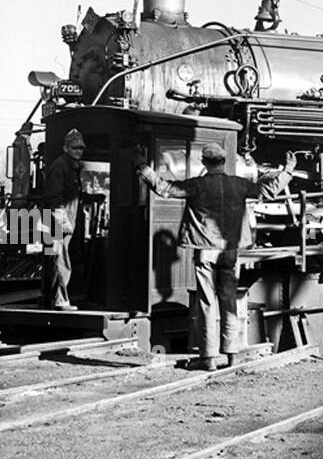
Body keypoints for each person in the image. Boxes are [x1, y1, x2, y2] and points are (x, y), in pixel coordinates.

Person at [134, 143, 295, 370]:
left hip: (205, 251)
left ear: (204, 162)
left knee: (207, 303)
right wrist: (287, 171)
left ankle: (208, 358)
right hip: (230, 252)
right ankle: (232, 354)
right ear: (224, 161)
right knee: (229, 302)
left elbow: (164, 188)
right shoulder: (238, 185)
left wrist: (142, 165)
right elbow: (266, 190)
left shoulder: (197, 185)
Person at [40, 128, 102, 311]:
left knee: (55, 259)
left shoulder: (70, 167)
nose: (78, 151)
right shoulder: (61, 166)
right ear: (65, 148)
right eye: (75, 148)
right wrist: (62, 220)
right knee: (59, 260)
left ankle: (48, 298)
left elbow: (74, 197)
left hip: (61, 222)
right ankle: (60, 300)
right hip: (57, 223)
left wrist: (93, 198)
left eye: (81, 148)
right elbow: (54, 197)